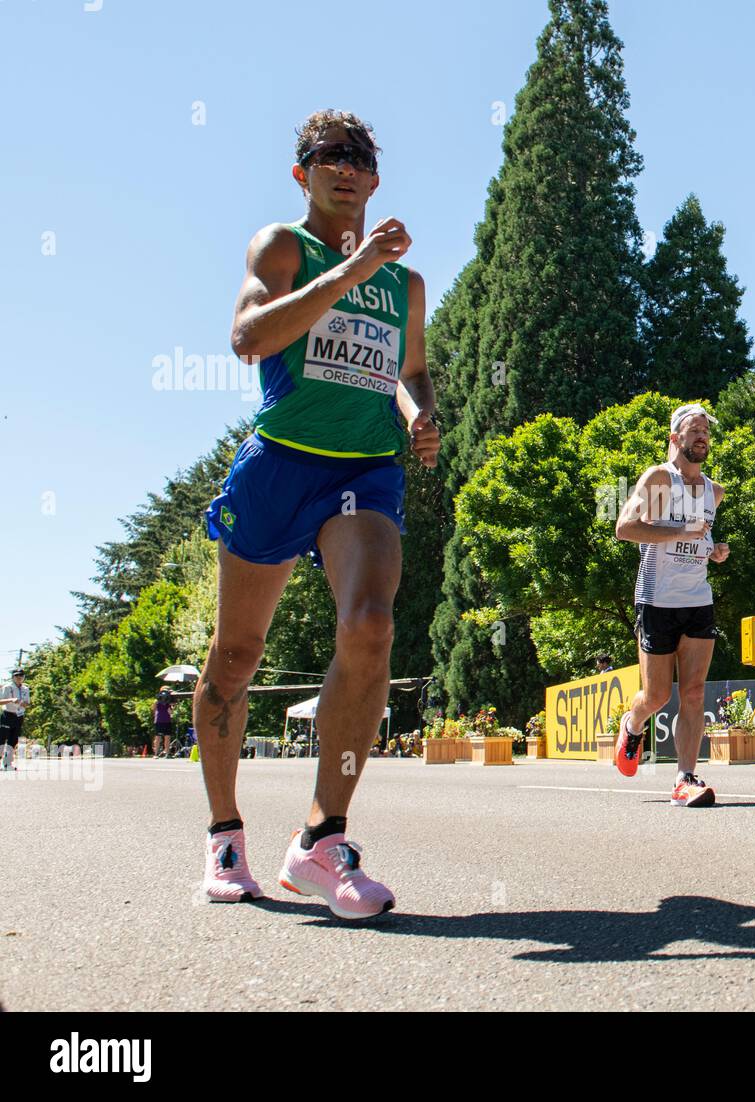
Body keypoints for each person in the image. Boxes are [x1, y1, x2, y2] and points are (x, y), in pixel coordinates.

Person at [195, 110, 440, 918]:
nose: (345, 168)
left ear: (375, 179)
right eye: (328, 157)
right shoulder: (281, 247)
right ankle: (226, 834)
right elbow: (248, 337)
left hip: (364, 471)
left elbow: (410, 372)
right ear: (303, 175)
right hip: (281, 462)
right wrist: (348, 269)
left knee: (369, 624)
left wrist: (418, 415)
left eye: (359, 158)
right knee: (236, 655)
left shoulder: (405, 286)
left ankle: (321, 840)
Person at [613, 403, 730, 807]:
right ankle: (633, 724)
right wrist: (682, 528)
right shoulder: (661, 479)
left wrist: (713, 550)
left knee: (694, 692)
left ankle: (685, 777)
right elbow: (624, 528)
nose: (702, 437)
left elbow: (699, 539)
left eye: (706, 432)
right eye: (694, 430)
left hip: (698, 598)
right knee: (657, 696)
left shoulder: (714, 491)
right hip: (657, 599)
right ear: (675, 439)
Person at [0, 669, 30, 771]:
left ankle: (8, 763)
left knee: (13, 741)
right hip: (7, 715)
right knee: (2, 740)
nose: (19, 677)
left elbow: (27, 703)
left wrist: (23, 704)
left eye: (21, 676)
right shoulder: (7, 687)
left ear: (24, 677)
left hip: (19, 716)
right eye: (17, 676)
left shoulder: (25, 688)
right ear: (13, 677)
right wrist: (11, 700)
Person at [152, 689, 175, 758]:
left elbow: (170, 712)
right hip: (159, 721)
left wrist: (172, 706)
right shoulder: (157, 701)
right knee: (158, 737)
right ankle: (155, 754)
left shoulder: (168, 702)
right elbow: (153, 709)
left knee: (167, 737)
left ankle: (167, 753)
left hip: (167, 721)